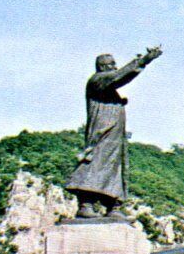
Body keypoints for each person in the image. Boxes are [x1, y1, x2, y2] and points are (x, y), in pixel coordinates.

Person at [66, 47, 162, 218]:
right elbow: (118, 77)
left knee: (115, 167)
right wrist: (143, 61)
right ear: (102, 67)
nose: (115, 67)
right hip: (102, 133)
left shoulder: (109, 88)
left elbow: (120, 76)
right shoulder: (97, 80)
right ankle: (86, 204)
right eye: (111, 64)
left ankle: (113, 205)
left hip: (115, 136)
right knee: (95, 163)